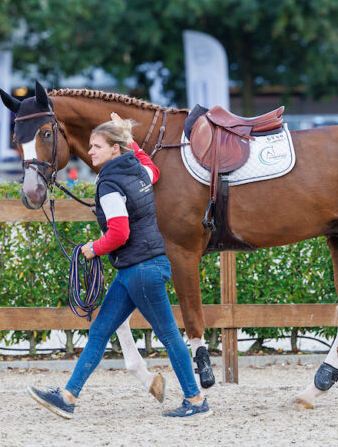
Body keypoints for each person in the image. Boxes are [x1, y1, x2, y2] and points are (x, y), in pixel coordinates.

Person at [27, 113, 211, 419]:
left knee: (169, 336)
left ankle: (195, 400)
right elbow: (152, 168)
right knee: (100, 331)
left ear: (115, 149)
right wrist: (133, 143)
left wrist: (91, 249)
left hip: (140, 270)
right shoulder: (138, 170)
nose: (91, 151)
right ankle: (69, 397)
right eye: (91, 146)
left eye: (97, 146)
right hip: (137, 268)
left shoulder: (109, 185)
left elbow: (119, 233)